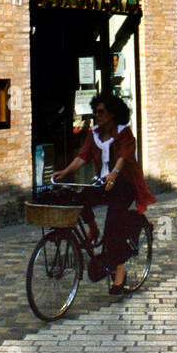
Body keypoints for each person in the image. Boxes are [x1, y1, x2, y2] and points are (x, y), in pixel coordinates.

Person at [53, 93, 155, 297]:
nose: (96, 116)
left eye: (101, 112)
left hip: (123, 185)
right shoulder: (94, 134)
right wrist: (65, 172)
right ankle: (92, 229)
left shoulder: (124, 133)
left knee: (113, 228)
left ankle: (120, 273)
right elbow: (83, 156)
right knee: (80, 199)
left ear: (112, 114)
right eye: (95, 112)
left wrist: (114, 174)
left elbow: (124, 157)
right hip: (102, 183)